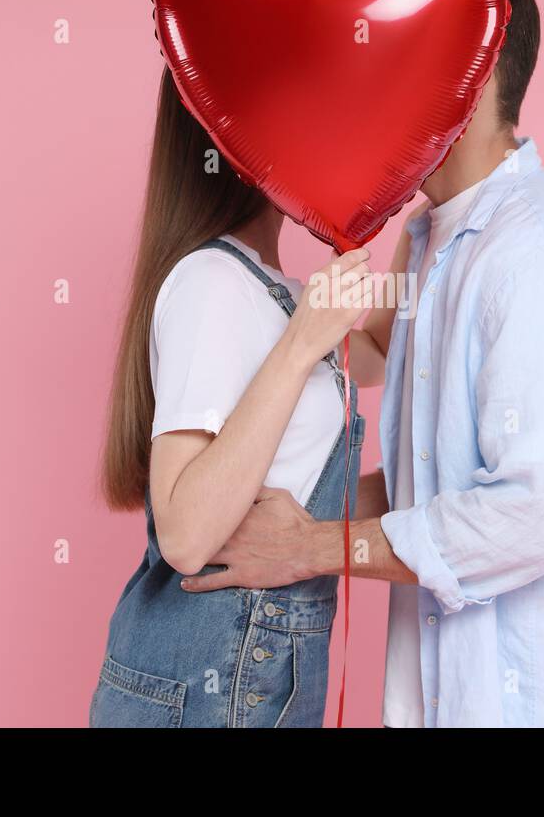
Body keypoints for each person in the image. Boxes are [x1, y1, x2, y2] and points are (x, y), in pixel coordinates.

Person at [181, 0, 544, 727]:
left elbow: (531, 514)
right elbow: (411, 427)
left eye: (407, 57)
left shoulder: (537, 254)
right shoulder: (431, 241)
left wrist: (315, 547)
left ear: (474, 72)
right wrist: (277, 498)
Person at [89, 70, 383, 727]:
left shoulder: (270, 292)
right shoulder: (211, 284)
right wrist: (302, 343)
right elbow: (187, 537)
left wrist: (422, 216)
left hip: (260, 678)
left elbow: (376, 358)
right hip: (206, 685)